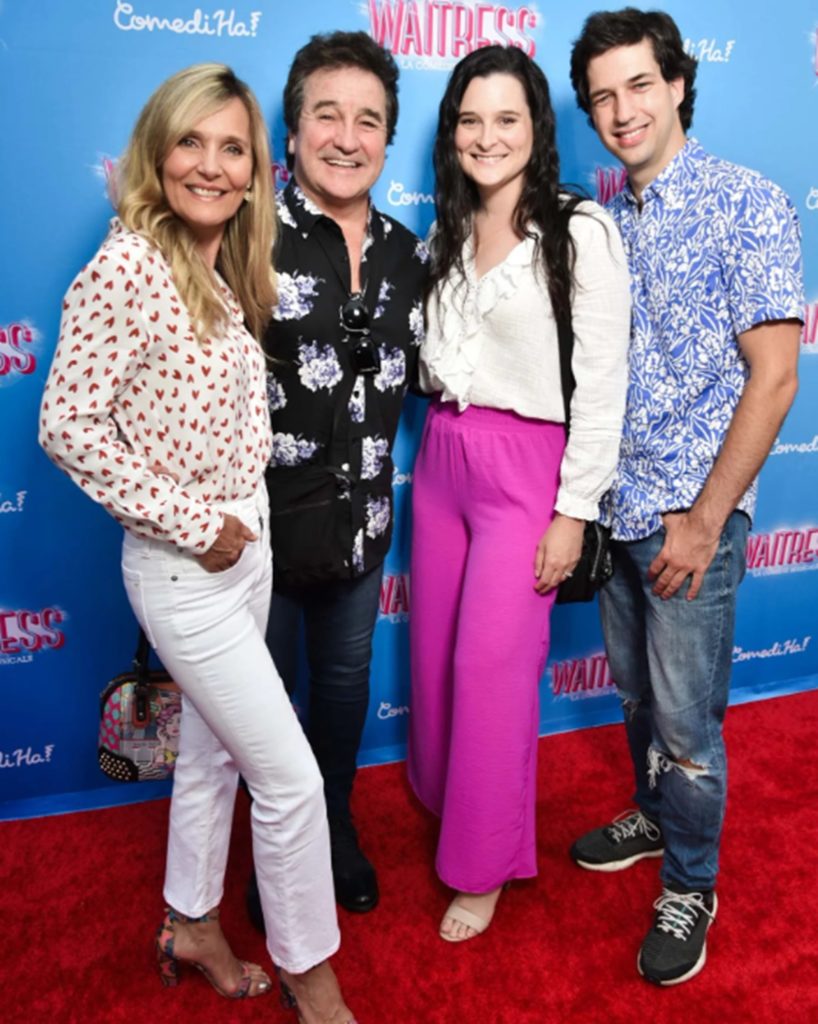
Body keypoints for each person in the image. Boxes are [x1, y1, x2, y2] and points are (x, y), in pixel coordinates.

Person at [39, 63, 357, 1024]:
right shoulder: (129, 266)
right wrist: (196, 524)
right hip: (186, 567)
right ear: (157, 152)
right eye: (191, 142)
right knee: (291, 780)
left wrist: (237, 529)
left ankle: (191, 923)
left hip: (241, 553)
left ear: (256, 171)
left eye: (232, 148)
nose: (211, 166)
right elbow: (66, 425)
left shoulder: (214, 266)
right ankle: (313, 979)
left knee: (215, 759)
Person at [568, 8, 803, 986]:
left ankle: (691, 881)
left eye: (637, 85)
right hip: (617, 512)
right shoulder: (604, 224)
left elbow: (774, 377)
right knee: (634, 697)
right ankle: (654, 814)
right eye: (601, 96)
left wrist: (707, 522)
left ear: (675, 86)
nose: (620, 110)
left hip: (689, 524)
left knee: (687, 728)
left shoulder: (747, 201)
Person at [408, 44, 631, 943]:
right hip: (442, 458)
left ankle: (484, 864)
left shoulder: (580, 232)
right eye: (470, 119)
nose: (487, 136)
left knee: (491, 672)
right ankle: (448, 807)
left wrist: (573, 512)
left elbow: (604, 385)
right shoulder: (446, 234)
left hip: (526, 471)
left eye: (507, 118)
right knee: (434, 659)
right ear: (451, 132)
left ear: (537, 128)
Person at [246, 30, 427, 923]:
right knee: (264, 704)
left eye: (369, 121)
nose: (348, 139)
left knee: (345, 687)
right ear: (292, 132)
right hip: (257, 534)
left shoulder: (407, 253)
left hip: (361, 529)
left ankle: (335, 826)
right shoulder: (242, 233)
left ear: (388, 138)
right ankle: (274, 849)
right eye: (328, 115)